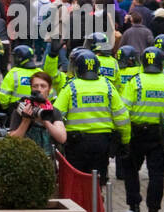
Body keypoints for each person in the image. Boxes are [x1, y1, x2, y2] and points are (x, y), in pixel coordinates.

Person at [52, 49, 129, 185]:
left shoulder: (71, 87)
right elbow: (122, 117)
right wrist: (125, 141)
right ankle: (97, 204)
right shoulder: (108, 86)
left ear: (77, 69)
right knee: (98, 181)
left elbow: (56, 113)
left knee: (77, 180)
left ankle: (79, 205)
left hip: (76, 143)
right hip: (102, 142)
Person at [120, 48, 164, 212]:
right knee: (157, 174)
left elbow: (124, 110)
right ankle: (154, 210)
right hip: (159, 134)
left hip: (136, 133)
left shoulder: (135, 82)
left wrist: (124, 137)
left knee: (131, 171)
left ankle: (134, 206)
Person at [7, 71, 67, 155]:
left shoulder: (53, 111)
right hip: (25, 157)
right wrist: (26, 121)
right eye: (35, 86)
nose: (39, 89)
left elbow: (62, 138)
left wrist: (45, 120)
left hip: (48, 159)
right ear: (31, 89)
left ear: (49, 89)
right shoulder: (22, 108)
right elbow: (12, 140)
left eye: (43, 86)